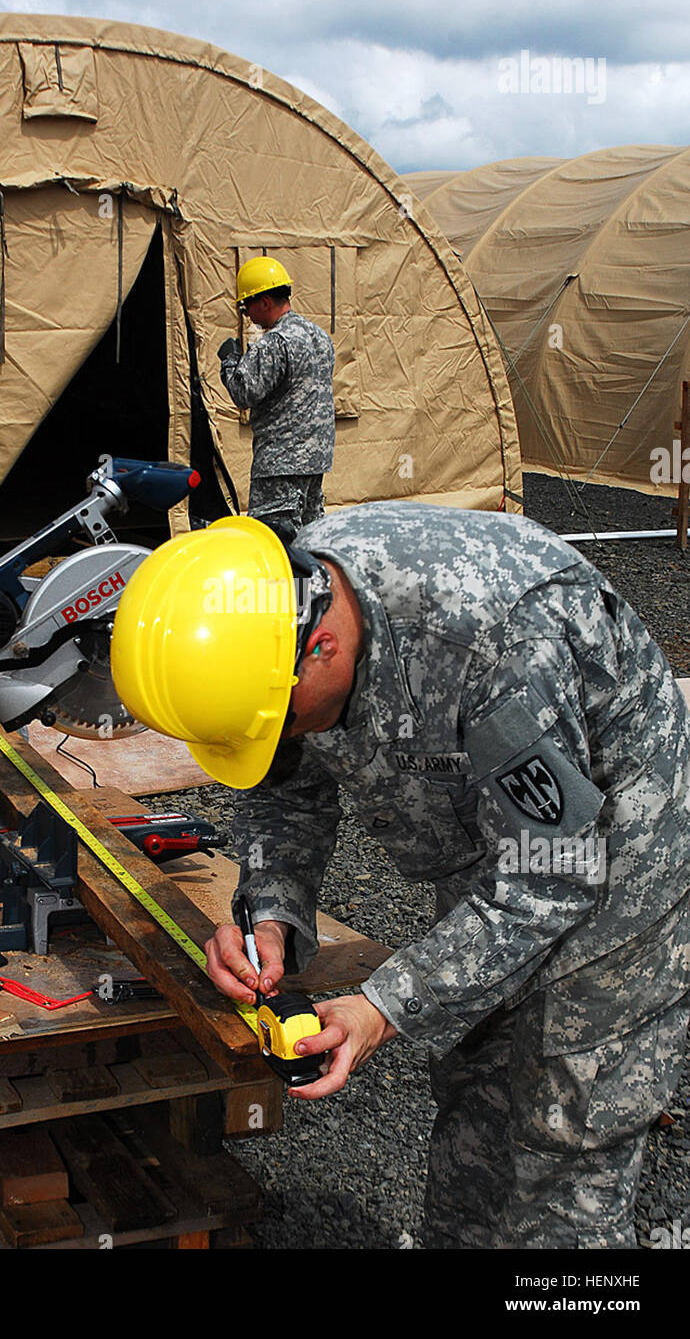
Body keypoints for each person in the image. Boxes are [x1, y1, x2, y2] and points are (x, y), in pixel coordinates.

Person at [109, 502, 690, 1249]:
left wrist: (382, 1004)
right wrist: (271, 916)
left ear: (320, 647)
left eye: (278, 719)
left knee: (568, 1128)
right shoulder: (264, 607)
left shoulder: (501, 643)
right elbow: (284, 783)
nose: (280, 736)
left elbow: (550, 875)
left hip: (616, 855)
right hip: (499, 839)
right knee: (476, 1083)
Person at [217, 256, 335, 541]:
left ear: (265, 302)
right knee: (309, 545)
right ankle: (308, 589)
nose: (246, 314)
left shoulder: (275, 342)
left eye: (247, 306)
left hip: (279, 466)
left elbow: (244, 393)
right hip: (315, 462)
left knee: (274, 544)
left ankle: (281, 589)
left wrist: (230, 361)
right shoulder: (319, 337)